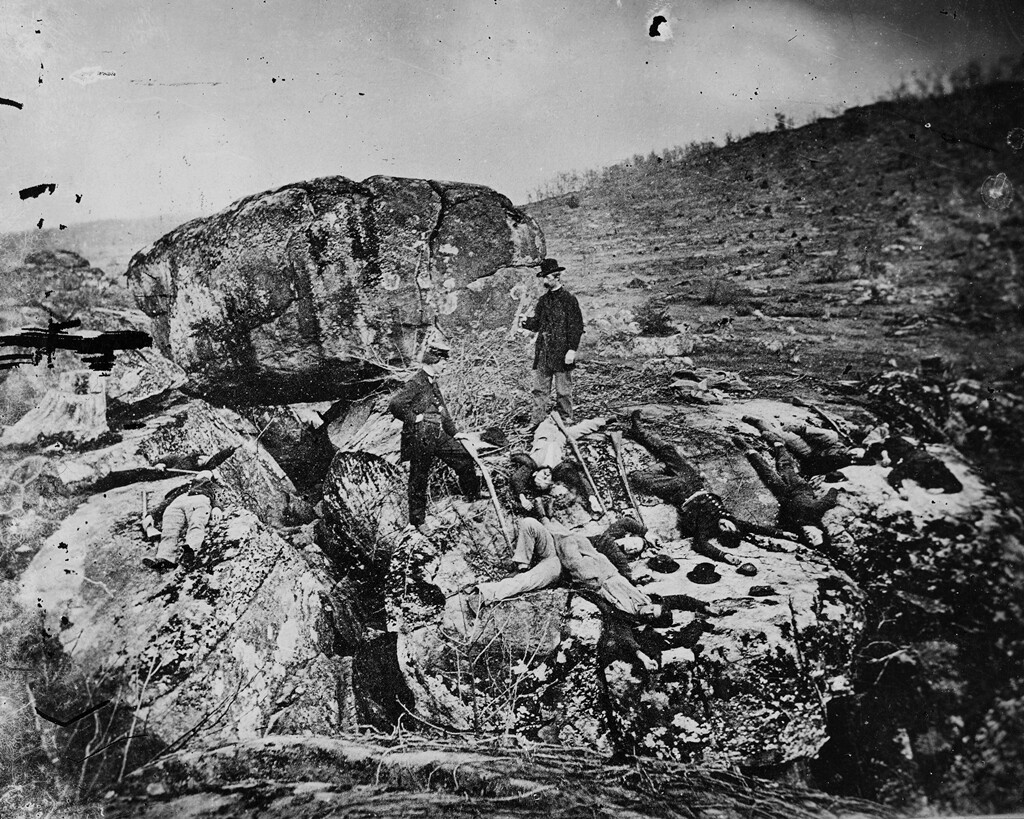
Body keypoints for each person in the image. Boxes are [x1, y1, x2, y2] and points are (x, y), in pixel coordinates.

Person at [625, 411, 774, 574]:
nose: (724, 526)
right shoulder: (734, 520)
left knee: (637, 477)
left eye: (723, 531)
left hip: (679, 491)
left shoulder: (708, 527)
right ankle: (638, 430)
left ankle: (660, 468)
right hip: (694, 482)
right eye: (730, 528)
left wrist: (724, 556)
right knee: (668, 450)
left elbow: (700, 544)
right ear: (736, 528)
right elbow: (758, 528)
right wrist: (785, 534)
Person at [388, 336, 481, 535]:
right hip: (420, 436)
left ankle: (473, 497)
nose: (446, 365)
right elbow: (395, 405)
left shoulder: (432, 382)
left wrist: (456, 433)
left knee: (464, 457)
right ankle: (418, 521)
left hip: (437, 433)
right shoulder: (416, 381)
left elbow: (443, 412)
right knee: (419, 477)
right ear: (435, 361)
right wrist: (415, 418)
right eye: (444, 361)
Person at [521, 258, 584, 427]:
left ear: (556, 277)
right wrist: (525, 321)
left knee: (563, 391)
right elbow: (537, 324)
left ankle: (566, 421)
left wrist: (572, 350)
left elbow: (576, 327)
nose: (544, 280)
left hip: (562, 352)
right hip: (544, 352)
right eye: (543, 277)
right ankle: (536, 422)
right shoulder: (543, 301)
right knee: (540, 390)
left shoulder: (569, 300)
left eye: (546, 277)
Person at [509, 414, 606, 517]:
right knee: (583, 428)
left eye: (541, 478)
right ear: (551, 481)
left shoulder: (533, 462)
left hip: (545, 431)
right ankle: (604, 420)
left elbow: (517, 479)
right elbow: (579, 479)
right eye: (546, 481)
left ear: (535, 474)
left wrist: (522, 498)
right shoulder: (559, 469)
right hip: (561, 438)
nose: (545, 477)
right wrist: (592, 498)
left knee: (552, 416)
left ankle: (560, 416)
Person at [141, 470, 219, 573]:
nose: (203, 474)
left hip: (199, 499)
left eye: (207, 473)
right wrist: (152, 515)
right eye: (201, 473)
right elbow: (167, 501)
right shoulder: (184, 486)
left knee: (196, 522)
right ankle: (165, 559)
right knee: (169, 529)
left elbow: (216, 497)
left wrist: (216, 507)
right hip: (178, 502)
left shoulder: (211, 485)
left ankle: (190, 550)